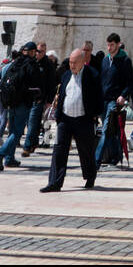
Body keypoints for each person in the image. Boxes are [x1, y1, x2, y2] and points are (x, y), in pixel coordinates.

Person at [40, 49, 101, 193]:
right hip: (65, 120)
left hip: (83, 119)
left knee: (86, 151)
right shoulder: (66, 75)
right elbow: (62, 95)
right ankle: (55, 182)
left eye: (75, 63)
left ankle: (90, 176)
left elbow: (98, 96)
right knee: (59, 151)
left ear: (83, 62)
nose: (72, 65)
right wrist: (59, 116)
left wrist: (94, 115)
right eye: (71, 62)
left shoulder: (92, 75)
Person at [0, 42, 43, 170]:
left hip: (11, 102)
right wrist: (38, 98)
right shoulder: (31, 64)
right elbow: (35, 84)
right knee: (17, 132)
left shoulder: (15, 63)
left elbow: (2, 81)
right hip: (23, 103)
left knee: (13, 131)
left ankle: (9, 159)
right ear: (31, 52)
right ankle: (0, 154)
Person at [95, 33, 133, 168]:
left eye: (112, 45)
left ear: (118, 44)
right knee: (113, 131)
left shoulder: (125, 61)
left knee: (106, 130)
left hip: (115, 101)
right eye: (108, 44)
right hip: (103, 100)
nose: (109, 47)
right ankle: (116, 157)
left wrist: (123, 95)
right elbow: (102, 80)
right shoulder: (105, 61)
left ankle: (96, 161)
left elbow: (131, 82)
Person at [21, 39, 56, 155]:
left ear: (44, 52)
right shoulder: (32, 62)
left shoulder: (48, 65)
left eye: (41, 51)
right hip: (29, 98)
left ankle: (27, 147)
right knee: (32, 123)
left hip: (40, 99)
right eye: (37, 51)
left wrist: (49, 101)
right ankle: (34, 142)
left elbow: (52, 85)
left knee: (33, 122)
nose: (38, 53)